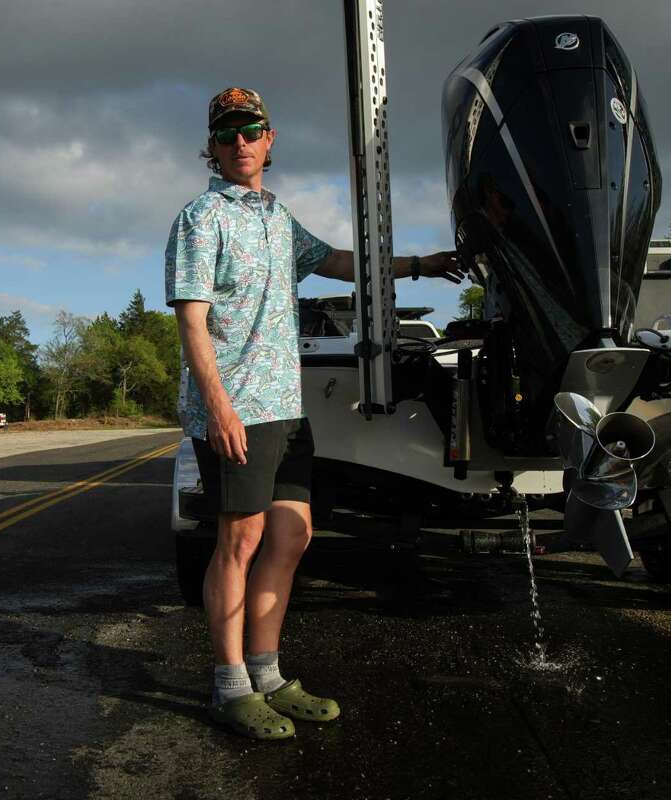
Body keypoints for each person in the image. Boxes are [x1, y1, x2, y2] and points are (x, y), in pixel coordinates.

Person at [165, 86, 464, 740]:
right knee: (237, 542)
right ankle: (229, 685)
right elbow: (191, 320)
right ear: (212, 148)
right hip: (237, 407)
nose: (240, 142)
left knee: (293, 535)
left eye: (250, 130)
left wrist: (420, 266)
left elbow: (334, 261)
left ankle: (268, 675)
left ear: (269, 139)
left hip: (285, 407)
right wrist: (217, 407)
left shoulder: (276, 216)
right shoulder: (201, 218)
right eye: (227, 134)